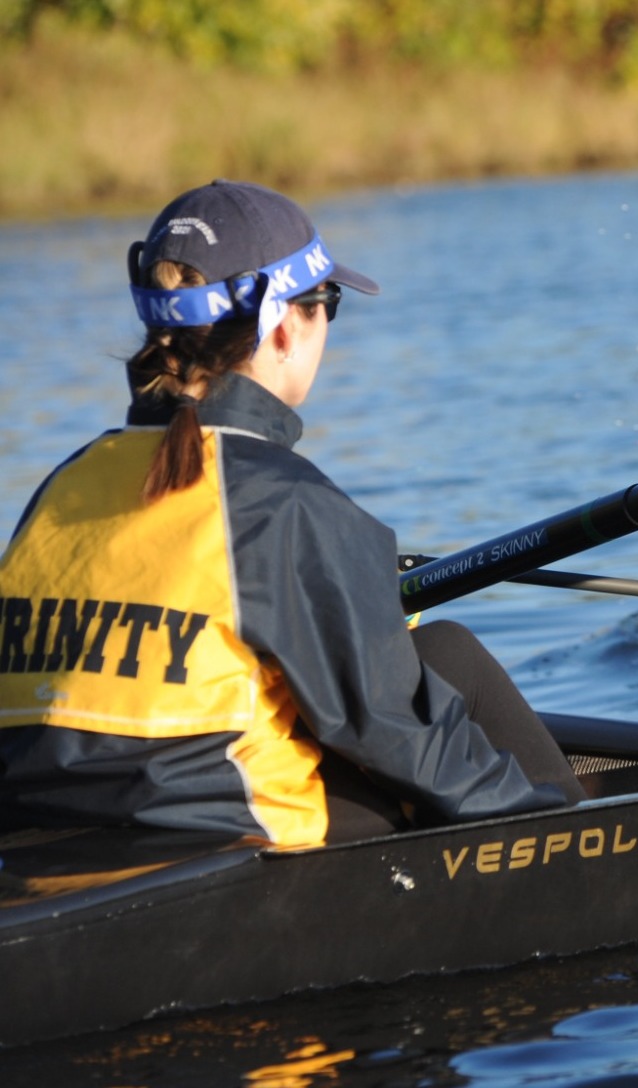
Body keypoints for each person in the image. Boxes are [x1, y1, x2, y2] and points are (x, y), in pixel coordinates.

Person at [0, 180, 583, 847]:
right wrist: (539, 822)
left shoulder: (65, 483)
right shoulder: (288, 503)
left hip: (40, 833)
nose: (329, 322)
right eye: (328, 301)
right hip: (214, 843)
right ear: (284, 324)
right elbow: (405, 740)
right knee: (451, 656)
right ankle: (586, 850)